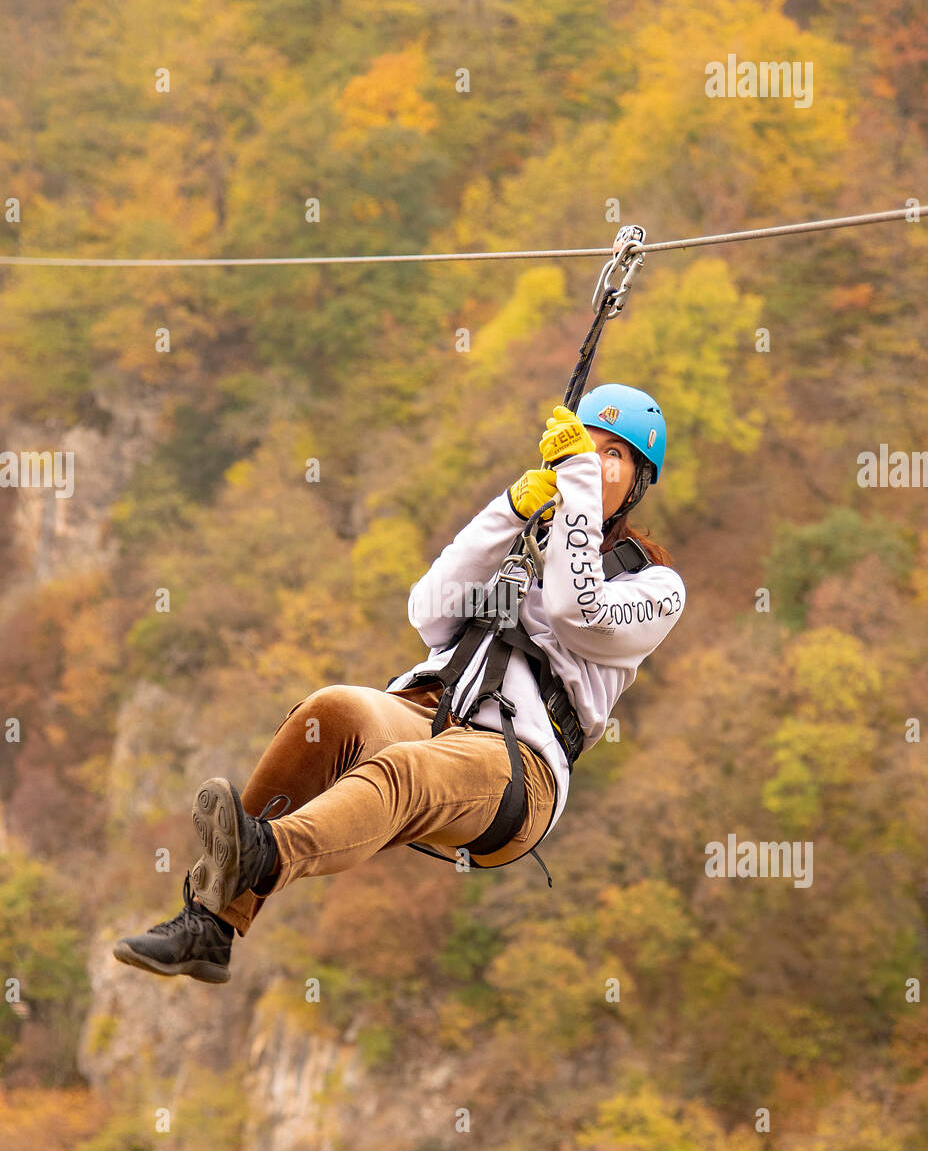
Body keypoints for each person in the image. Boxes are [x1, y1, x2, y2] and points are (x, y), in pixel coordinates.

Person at [113, 387, 686, 983]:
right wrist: (512, 509)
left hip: (520, 764)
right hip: (434, 710)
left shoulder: (656, 587)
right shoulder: (528, 538)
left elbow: (575, 611)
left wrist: (577, 499)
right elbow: (429, 613)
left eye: (614, 454)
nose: (594, 460)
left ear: (640, 480)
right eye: (585, 445)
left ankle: (266, 852)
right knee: (331, 709)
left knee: (407, 771)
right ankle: (211, 924)